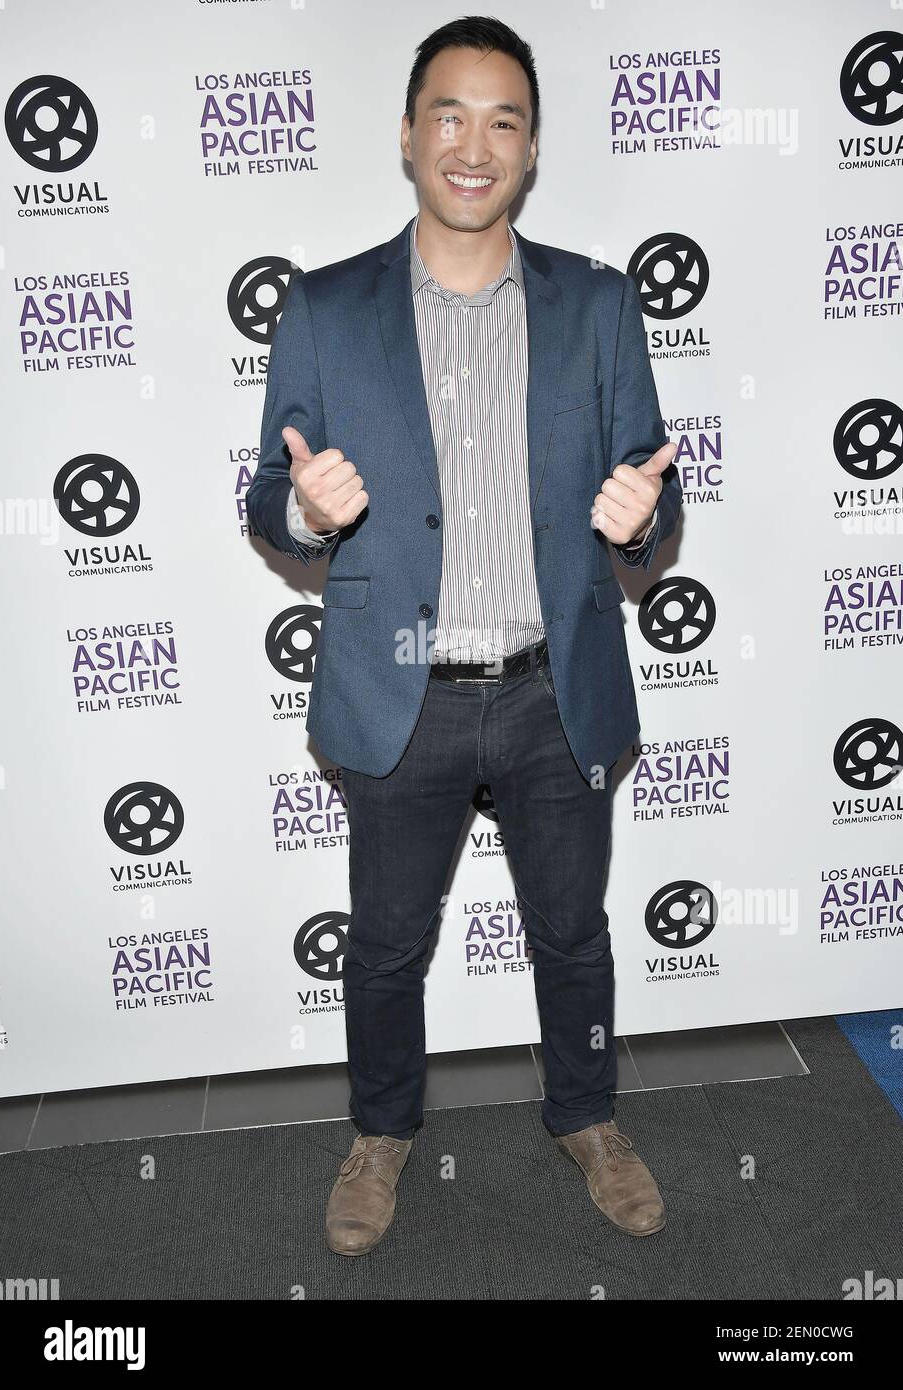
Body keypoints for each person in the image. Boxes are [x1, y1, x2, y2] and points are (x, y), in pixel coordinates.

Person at [247, 15, 682, 1258]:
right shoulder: (325, 310)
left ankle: (587, 1115)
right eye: (451, 113)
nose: (474, 144)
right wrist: (303, 510)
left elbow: (654, 487)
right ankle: (381, 1132)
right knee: (386, 944)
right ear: (408, 133)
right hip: (406, 696)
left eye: (504, 120)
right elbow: (264, 489)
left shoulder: (599, 306)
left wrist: (643, 523)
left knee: (573, 930)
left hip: (557, 689)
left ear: (531, 149)